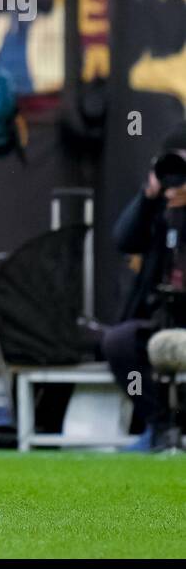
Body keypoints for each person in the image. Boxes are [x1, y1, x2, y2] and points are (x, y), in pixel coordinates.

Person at [101, 122, 186, 450]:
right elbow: (124, 240)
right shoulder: (159, 212)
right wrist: (148, 197)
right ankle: (161, 426)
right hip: (164, 318)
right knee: (119, 342)